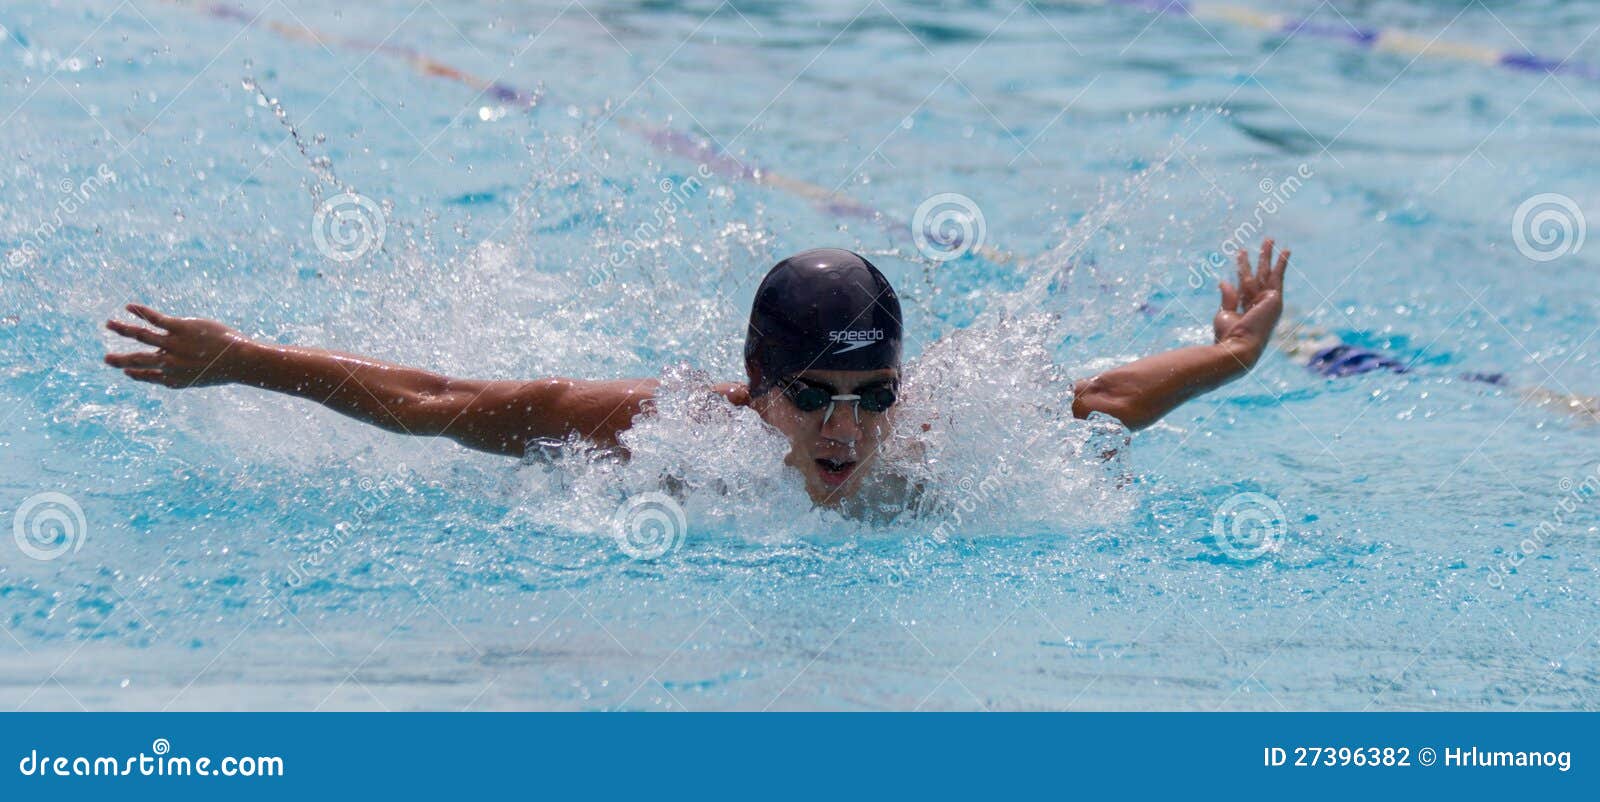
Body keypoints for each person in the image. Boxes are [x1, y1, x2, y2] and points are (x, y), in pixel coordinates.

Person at [103, 240, 1289, 507]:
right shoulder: (660, 431)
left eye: (871, 396)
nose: (844, 429)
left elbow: (1108, 397)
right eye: (814, 397)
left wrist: (1232, 356)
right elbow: (443, 404)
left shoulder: (939, 433)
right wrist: (243, 362)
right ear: (753, 384)